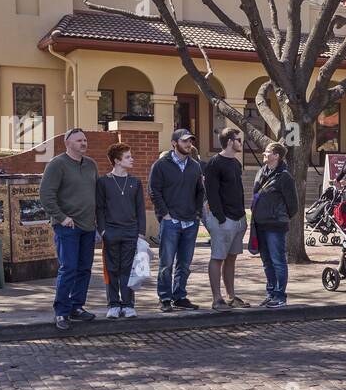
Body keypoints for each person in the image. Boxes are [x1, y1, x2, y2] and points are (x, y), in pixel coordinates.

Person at [40, 127, 99, 330]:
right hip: (68, 226)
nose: (83, 143)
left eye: (85, 140)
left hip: (88, 226)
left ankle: (77, 306)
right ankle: (62, 312)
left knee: (84, 268)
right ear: (68, 144)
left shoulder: (91, 165)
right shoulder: (57, 165)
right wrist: (61, 217)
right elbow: (46, 195)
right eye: (79, 140)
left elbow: (96, 194)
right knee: (69, 268)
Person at [149, 127, 205, 312]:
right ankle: (164, 298)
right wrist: (164, 214)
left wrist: (197, 213)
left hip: (190, 222)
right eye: (185, 141)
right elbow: (154, 191)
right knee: (166, 263)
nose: (189, 144)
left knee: (185, 264)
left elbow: (200, 191)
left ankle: (180, 296)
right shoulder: (161, 165)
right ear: (174, 143)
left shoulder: (195, 166)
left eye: (190, 141)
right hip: (170, 221)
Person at [95, 143, 146, 319]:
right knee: (111, 269)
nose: (132, 159)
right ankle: (114, 304)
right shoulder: (103, 182)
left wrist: (141, 232)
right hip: (111, 232)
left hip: (131, 232)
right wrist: (102, 231)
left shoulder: (135, 182)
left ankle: (128, 304)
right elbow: (99, 209)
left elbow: (140, 209)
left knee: (128, 269)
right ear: (117, 161)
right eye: (127, 157)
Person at [203, 127, 250, 310]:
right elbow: (212, 193)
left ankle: (231, 296)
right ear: (230, 142)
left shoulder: (236, 163)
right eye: (239, 139)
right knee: (217, 258)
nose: (241, 142)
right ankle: (217, 299)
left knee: (231, 258)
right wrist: (221, 218)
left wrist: (242, 217)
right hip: (224, 220)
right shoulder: (215, 163)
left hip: (238, 219)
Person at [250, 142, 298, 307]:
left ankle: (280, 295)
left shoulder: (284, 176)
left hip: (275, 225)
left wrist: (279, 215)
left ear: (276, 156)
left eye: (268, 151)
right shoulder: (261, 172)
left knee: (278, 260)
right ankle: (270, 293)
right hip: (260, 223)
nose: (264, 153)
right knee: (266, 261)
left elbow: (293, 205)